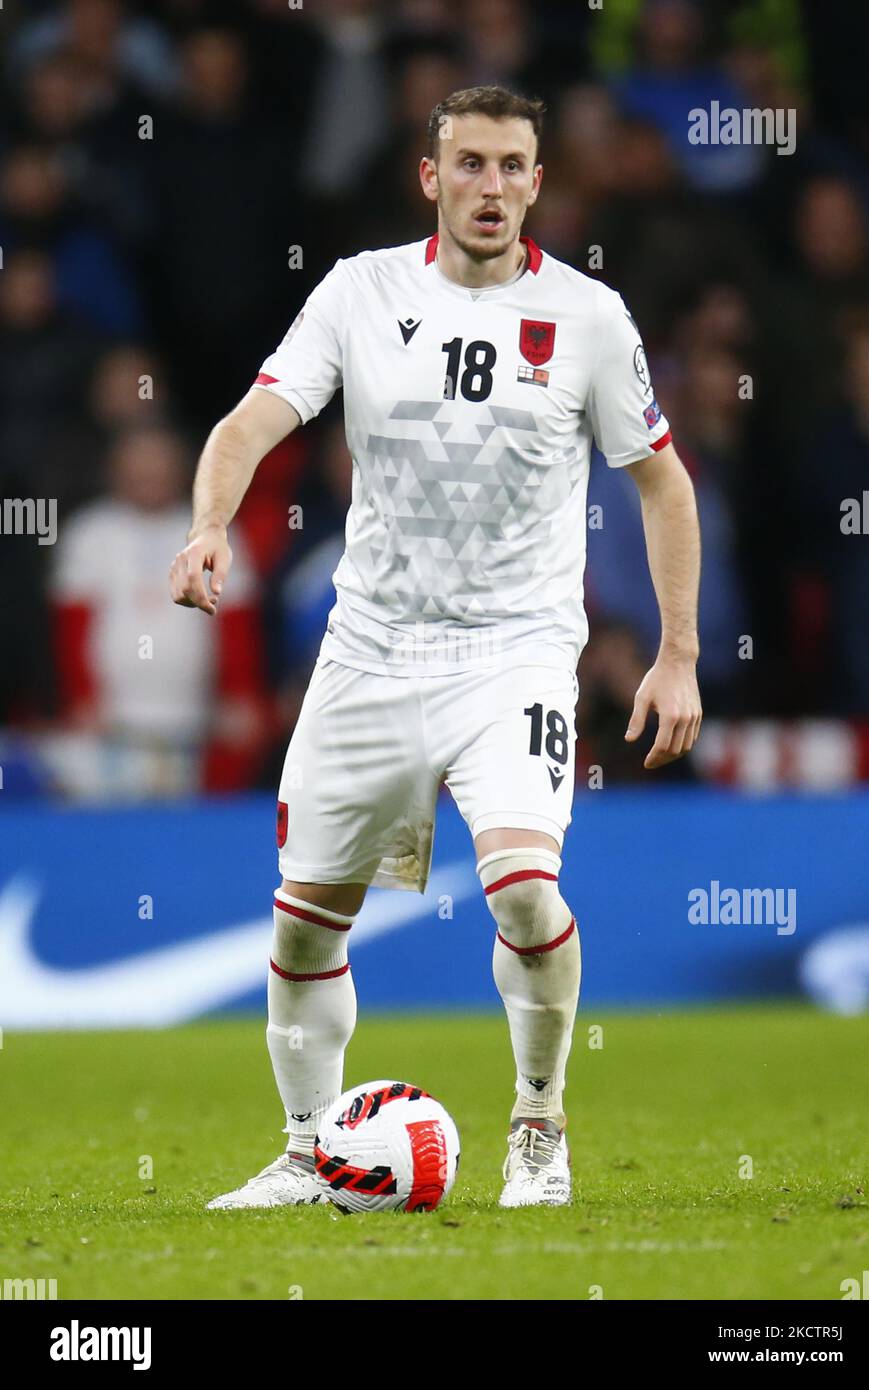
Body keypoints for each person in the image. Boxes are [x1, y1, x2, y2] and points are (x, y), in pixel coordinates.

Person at [169, 85, 702, 1210]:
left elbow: (660, 482)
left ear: (539, 181)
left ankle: (537, 1123)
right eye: (469, 164)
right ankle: (311, 1149)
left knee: (520, 890)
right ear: (430, 177)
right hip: (367, 649)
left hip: (513, 653)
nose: (491, 187)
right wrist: (210, 524)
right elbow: (249, 423)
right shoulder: (359, 292)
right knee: (306, 917)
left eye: (513, 165)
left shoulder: (590, 317)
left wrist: (678, 651)